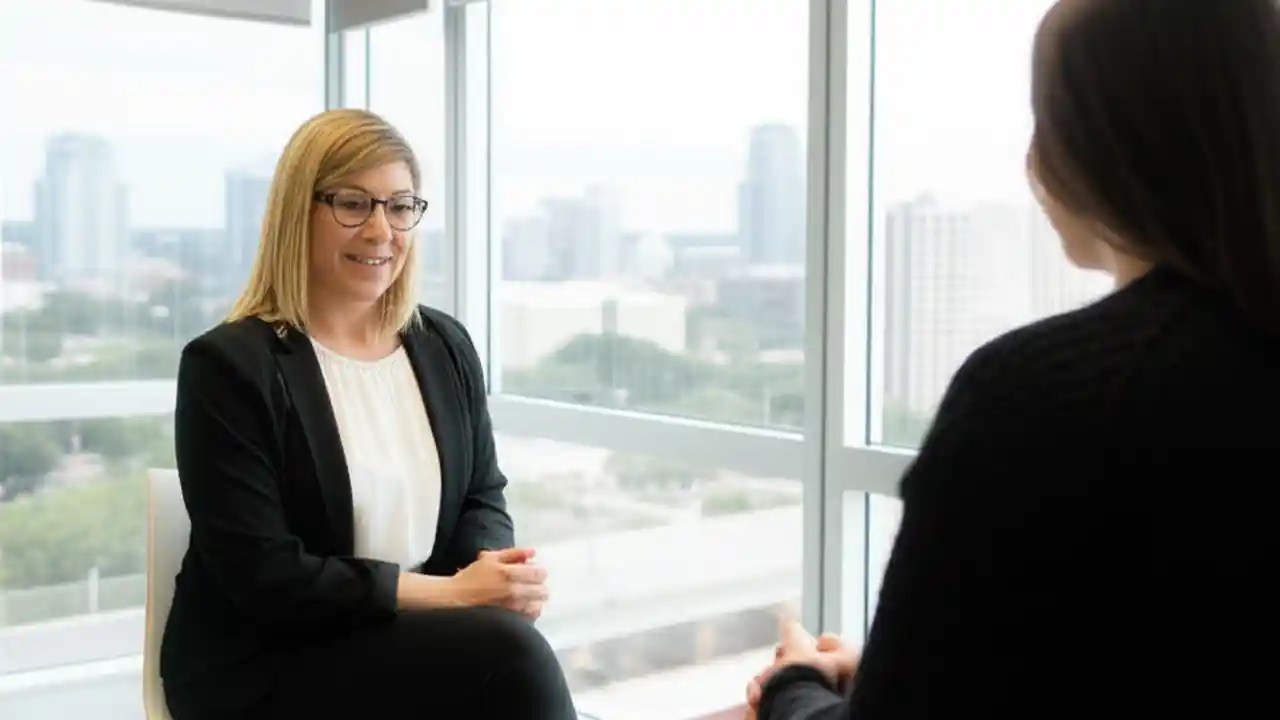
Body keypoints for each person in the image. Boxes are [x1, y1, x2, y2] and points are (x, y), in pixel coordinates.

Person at [748, 0, 1280, 718]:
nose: (1032, 157)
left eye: (1046, 118)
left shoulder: (1046, 396)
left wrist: (794, 689)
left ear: (1104, 143)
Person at [160, 108, 577, 719]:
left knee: (507, 657)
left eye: (400, 206)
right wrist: (455, 595)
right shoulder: (227, 366)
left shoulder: (444, 346)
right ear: (297, 214)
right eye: (353, 204)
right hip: (267, 660)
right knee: (512, 659)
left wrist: (493, 571)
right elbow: (265, 576)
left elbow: (481, 494)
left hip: (408, 635)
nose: (382, 230)